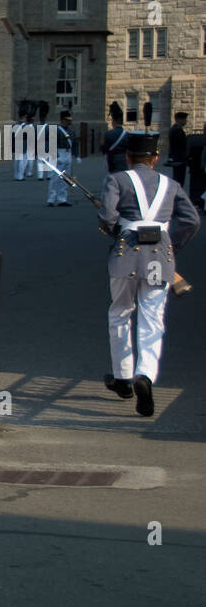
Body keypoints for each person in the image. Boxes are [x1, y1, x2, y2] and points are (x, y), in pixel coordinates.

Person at [97, 130, 199, 418]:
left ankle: (122, 376)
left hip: (124, 255)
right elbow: (191, 220)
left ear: (128, 157)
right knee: (152, 320)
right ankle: (145, 374)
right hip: (160, 257)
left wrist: (114, 228)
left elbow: (107, 217)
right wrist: (171, 244)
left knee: (120, 313)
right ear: (155, 159)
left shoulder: (116, 179)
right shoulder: (171, 183)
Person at [46, 110, 77, 208]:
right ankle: (51, 199)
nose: (69, 122)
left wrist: (77, 155)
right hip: (59, 152)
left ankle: (62, 199)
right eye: (68, 120)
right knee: (55, 178)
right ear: (63, 119)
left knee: (66, 178)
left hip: (67, 153)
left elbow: (75, 143)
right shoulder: (56, 130)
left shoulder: (71, 131)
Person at [102, 102, 129, 174]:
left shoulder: (108, 134)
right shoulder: (127, 135)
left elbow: (104, 149)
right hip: (124, 162)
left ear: (114, 121)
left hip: (112, 162)